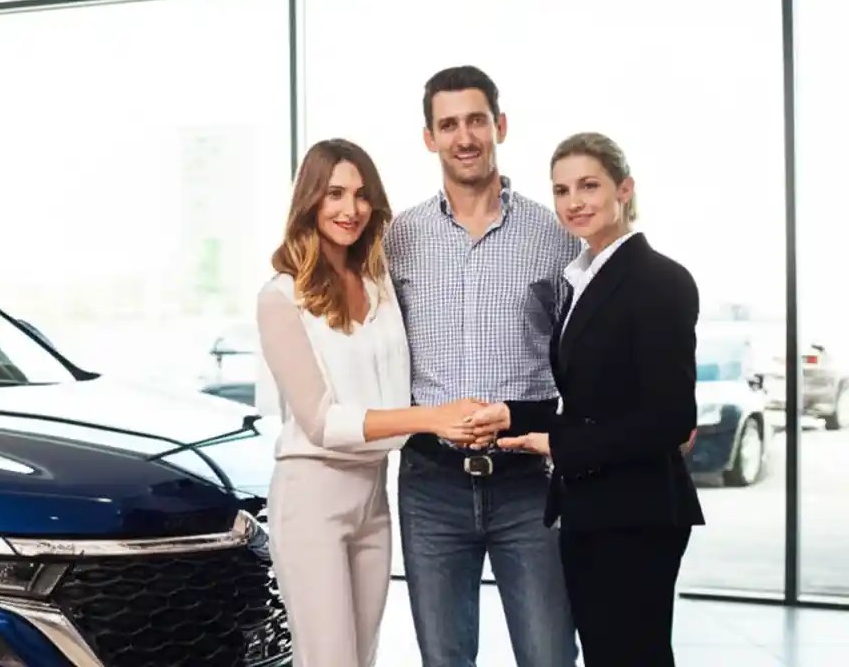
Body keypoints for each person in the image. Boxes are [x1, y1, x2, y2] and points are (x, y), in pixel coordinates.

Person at [256, 137, 498, 667]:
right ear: (310, 200)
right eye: (335, 193)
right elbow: (321, 422)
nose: (351, 209)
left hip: (373, 497)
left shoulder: (377, 280)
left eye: (362, 195)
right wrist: (434, 418)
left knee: (362, 659)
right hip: (312, 497)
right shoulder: (280, 297)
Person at [385, 65, 580, 667]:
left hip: (528, 484)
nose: (464, 137)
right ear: (429, 138)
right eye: (448, 125)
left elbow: (581, 354)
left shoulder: (553, 237)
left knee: (549, 655)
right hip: (430, 486)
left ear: (499, 125)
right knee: (445, 660)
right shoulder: (400, 238)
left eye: (475, 120)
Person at [492, 131, 705, 667]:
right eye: (562, 190)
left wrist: (559, 446)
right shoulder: (583, 279)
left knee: (632, 655)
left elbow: (671, 418)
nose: (574, 202)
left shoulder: (659, 281)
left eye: (589, 186)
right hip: (594, 505)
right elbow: (586, 400)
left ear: (624, 189)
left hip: (636, 511)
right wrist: (512, 415)